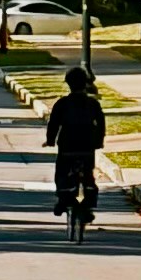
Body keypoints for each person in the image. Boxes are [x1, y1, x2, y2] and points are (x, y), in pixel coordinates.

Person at [44, 64, 107, 240]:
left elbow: (54, 124)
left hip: (68, 146)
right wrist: (99, 141)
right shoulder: (93, 104)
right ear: (85, 84)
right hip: (87, 146)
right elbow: (100, 124)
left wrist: (50, 140)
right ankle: (89, 202)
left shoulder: (62, 104)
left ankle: (63, 198)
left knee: (62, 172)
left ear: (68, 84)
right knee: (88, 173)